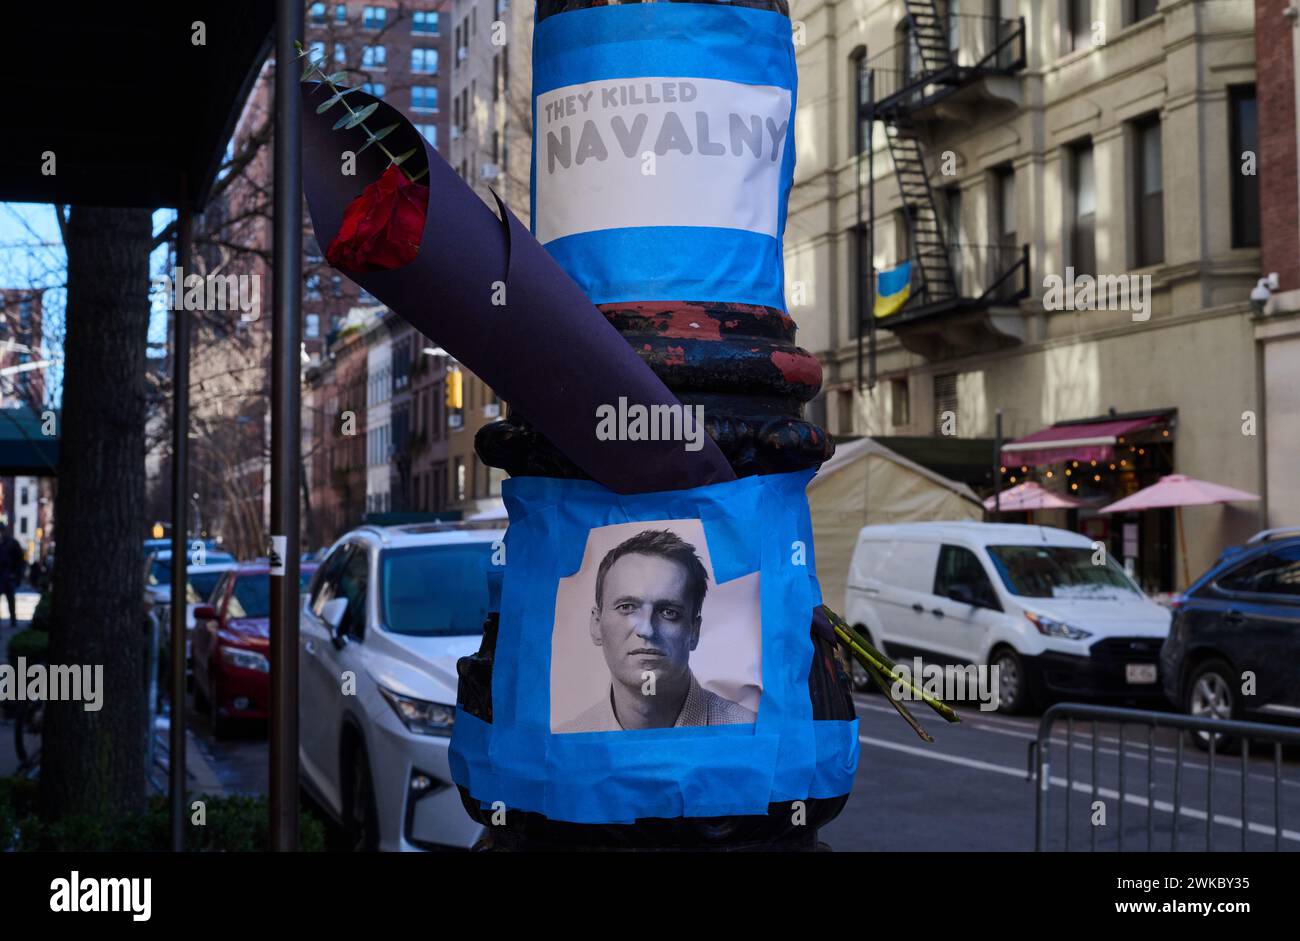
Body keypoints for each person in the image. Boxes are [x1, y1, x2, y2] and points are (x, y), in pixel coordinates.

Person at [557, 528, 756, 733]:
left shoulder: (751, 734)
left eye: (669, 612)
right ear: (596, 624)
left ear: (694, 631)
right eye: (626, 607)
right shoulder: (563, 746)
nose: (646, 629)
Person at [0, 523, 26, 631]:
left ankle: (13, 619)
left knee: (11, 599)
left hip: (9, 576)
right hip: (2, 575)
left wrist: (16, 575)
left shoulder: (12, 543)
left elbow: (20, 561)